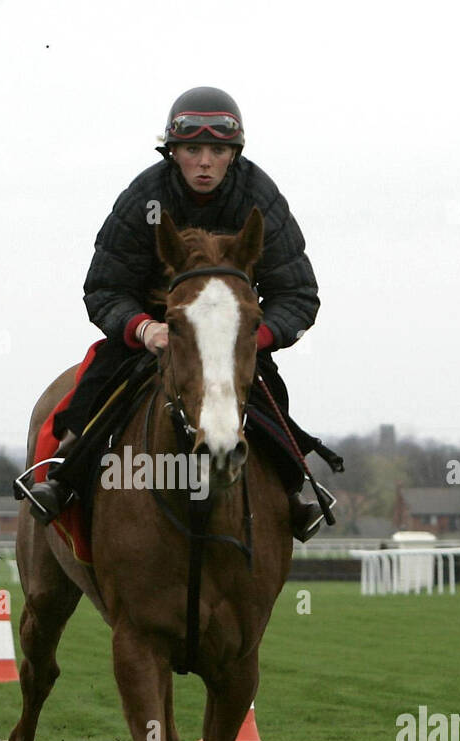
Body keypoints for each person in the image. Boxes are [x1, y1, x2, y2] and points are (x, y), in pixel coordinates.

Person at [26, 85, 328, 540]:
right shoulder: (144, 195)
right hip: (154, 330)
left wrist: (252, 338)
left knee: (271, 394)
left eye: (217, 150)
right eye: (192, 149)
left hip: (231, 330)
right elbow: (104, 287)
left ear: (234, 154)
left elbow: (298, 294)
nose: (204, 162)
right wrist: (143, 329)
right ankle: (64, 476)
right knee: (97, 382)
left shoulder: (259, 196)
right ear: (174, 152)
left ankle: (291, 494)